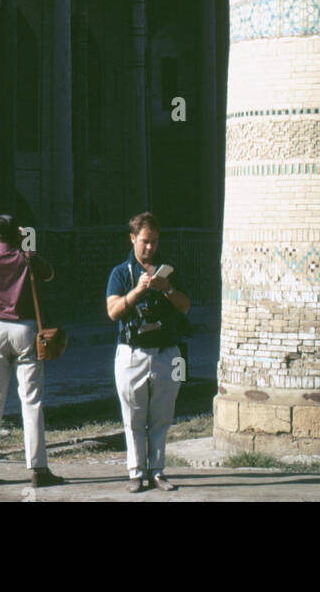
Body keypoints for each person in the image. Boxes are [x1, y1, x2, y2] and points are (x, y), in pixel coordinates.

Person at [0, 214, 64, 488]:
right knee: (31, 400)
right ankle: (38, 468)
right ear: (17, 236)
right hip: (24, 329)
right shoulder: (27, 258)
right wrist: (26, 244)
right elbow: (50, 274)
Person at [106, 211, 191, 493]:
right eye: (144, 241)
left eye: (154, 241)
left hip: (168, 353)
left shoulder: (169, 270)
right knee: (133, 417)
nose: (150, 247)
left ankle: (157, 471)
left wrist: (167, 289)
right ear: (132, 239)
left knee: (162, 416)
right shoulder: (121, 273)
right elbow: (113, 311)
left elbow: (185, 306)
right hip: (132, 353)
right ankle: (135, 472)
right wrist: (136, 292)